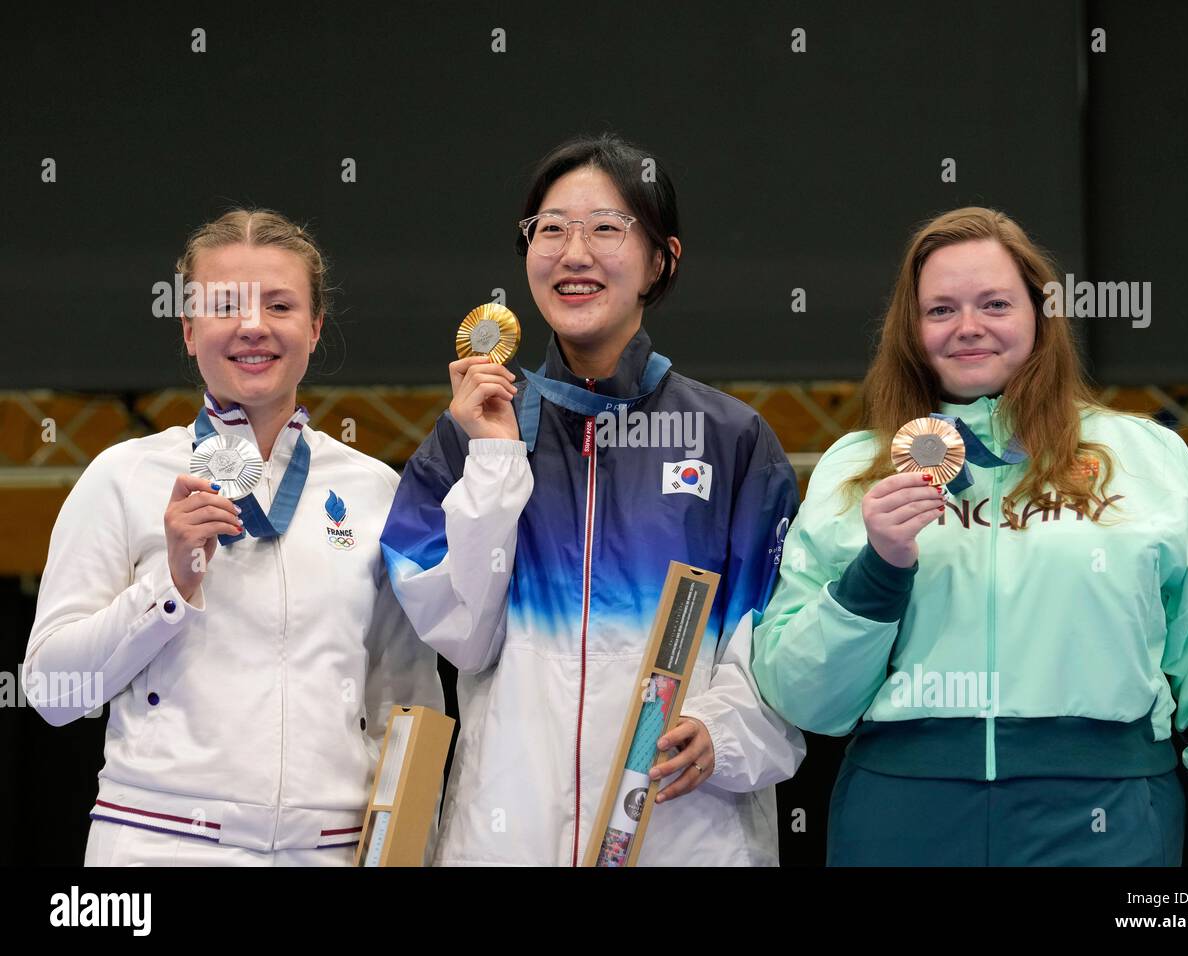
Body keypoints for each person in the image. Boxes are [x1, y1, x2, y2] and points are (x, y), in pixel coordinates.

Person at [752, 207, 1188, 866]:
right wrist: (879, 572)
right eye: (940, 309)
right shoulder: (857, 467)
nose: (969, 326)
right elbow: (801, 696)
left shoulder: (1150, 458)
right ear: (911, 330)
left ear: (1040, 314)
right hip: (903, 818)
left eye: (995, 303)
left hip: (1105, 819)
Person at [380, 133, 805, 865]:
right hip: (509, 834)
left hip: (685, 831)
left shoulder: (732, 439)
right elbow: (462, 637)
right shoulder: (472, 430)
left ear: (659, 260)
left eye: (607, 228)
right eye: (551, 229)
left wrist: (724, 732)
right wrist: (493, 455)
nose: (574, 253)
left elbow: (779, 645)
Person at [24, 208, 443, 866]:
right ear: (189, 330)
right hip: (160, 848)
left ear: (314, 326)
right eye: (226, 305)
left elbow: (407, 702)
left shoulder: (372, 490)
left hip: (328, 851)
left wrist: (413, 851)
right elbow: (51, 694)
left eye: (279, 304)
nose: (253, 325)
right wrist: (171, 584)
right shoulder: (124, 477)